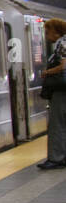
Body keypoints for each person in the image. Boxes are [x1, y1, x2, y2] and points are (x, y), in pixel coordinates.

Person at [39, 19, 66, 170]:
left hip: (62, 90)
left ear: (56, 31)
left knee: (58, 124)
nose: (47, 36)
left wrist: (47, 72)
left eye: (47, 32)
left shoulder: (63, 42)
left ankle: (56, 158)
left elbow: (63, 66)